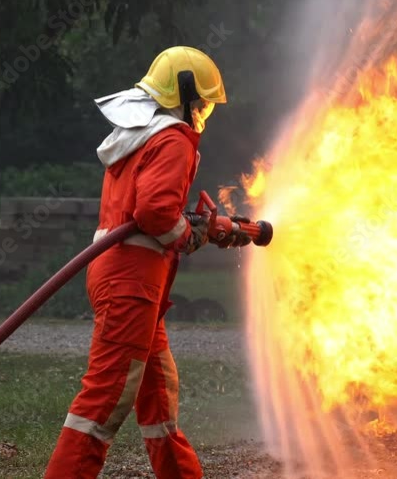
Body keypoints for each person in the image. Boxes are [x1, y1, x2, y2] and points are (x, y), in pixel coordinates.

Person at [45, 46, 249, 478]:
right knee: (104, 400)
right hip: (131, 282)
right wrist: (187, 235)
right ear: (186, 95)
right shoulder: (172, 138)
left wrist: (190, 227)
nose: (204, 112)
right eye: (203, 102)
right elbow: (155, 213)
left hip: (125, 276)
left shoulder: (138, 135)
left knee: (158, 398)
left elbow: (148, 209)